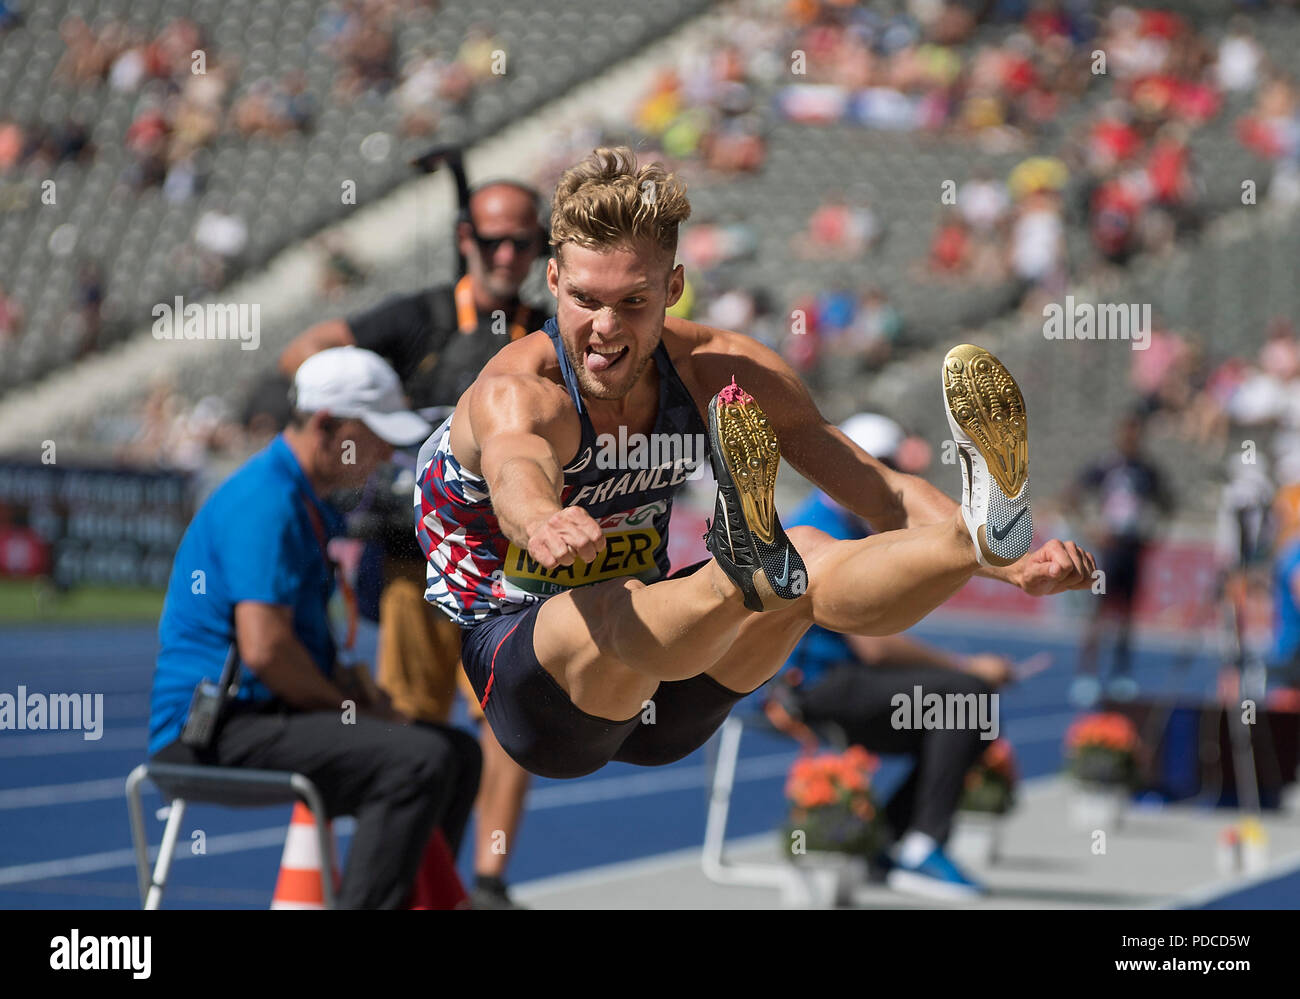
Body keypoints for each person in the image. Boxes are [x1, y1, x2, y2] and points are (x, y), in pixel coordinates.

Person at [415, 146, 1096, 785]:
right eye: (585, 300)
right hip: (536, 691)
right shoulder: (521, 387)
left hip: (676, 673)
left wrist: (1006, 563)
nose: (606, 329)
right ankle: (740, 573)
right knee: (613, 603)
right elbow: (515, 468)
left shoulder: (720, 368)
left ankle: (958, 537)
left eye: (634, 302)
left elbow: (881, 491)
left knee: (805, 557)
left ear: (674, 286)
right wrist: (540, 520)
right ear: (555, 280)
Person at [279, 180, 549, 909]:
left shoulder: (548, 332)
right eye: (491, 239)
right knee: (411, 725)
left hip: (514, 573)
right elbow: (306, 356)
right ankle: (414, 878)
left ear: (538, 250)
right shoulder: (415, 317)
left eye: (521, 241)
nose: (504, 253)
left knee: (511, 723)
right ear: (465, 238)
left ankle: (487, 880)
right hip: (416, 560)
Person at [148, 347, 481, 909]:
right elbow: (266, 650)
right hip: (213, 730)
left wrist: (350, 692)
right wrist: (346, 704)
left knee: (454, 752)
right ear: (327, 426)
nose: (382, 455)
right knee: (415, 760)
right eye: (373, 436)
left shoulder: (302, 501)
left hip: (264, 712)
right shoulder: (266, 503)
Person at [763, 413, 1015, 900]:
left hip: (835, 680)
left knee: (961, 716)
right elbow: (874, 646)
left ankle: (887, 842)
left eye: (888, 470)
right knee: (968, 700)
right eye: (874, 468)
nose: (879, 484)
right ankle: (920, 847)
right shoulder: (821, 530)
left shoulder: (846, 523)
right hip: (814, 687)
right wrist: (966, 667)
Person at [1065, 413, 1174, 706]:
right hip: (1109, 548)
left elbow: (1167, 504)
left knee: (1127, 616)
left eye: (1135, 435)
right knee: (1098, 614)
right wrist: (1090, 528)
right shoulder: (1106, 466)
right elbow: (1072, 495)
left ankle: (1121, 674)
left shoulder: (1147, 471)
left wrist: (1155, 534)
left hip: (1132, 547)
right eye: (1126, 434)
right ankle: (1086, 674)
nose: (1130, 440)